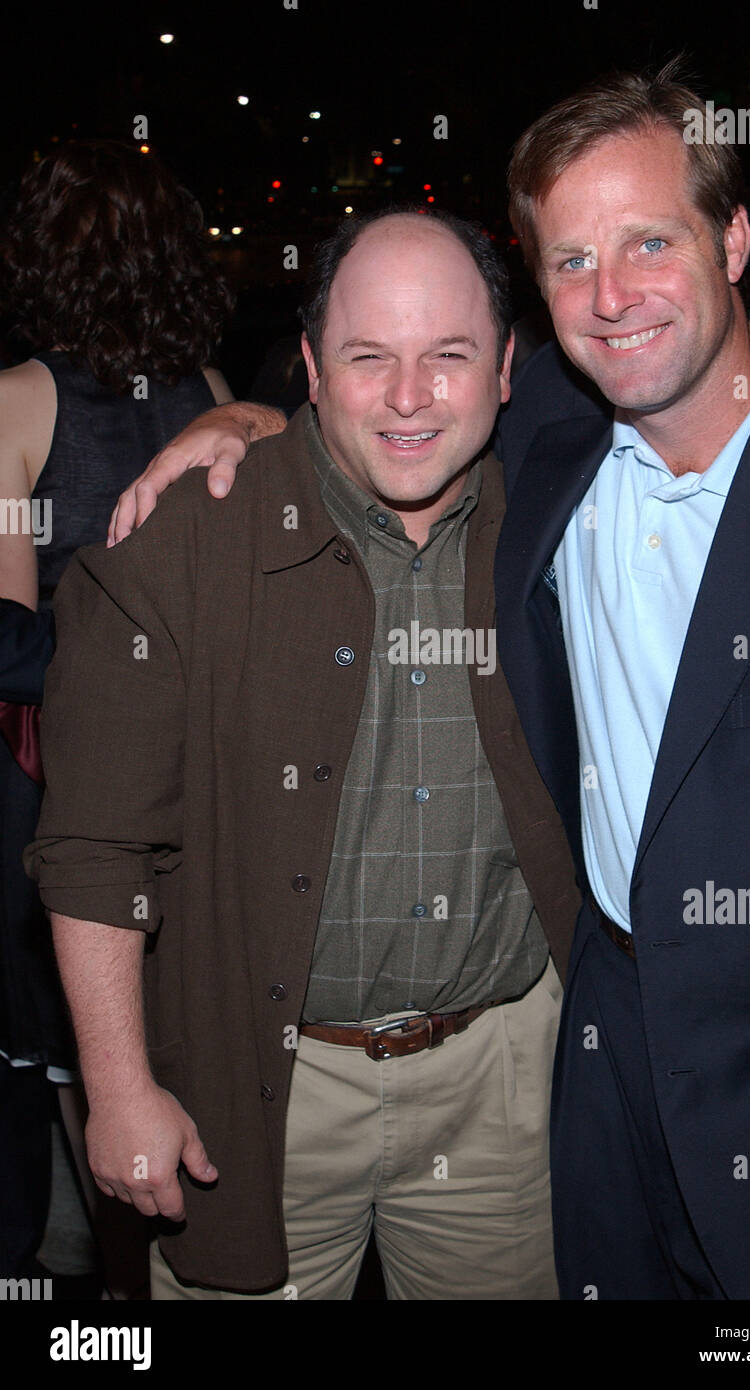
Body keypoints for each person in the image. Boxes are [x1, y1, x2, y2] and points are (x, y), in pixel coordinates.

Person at [118, 64, 750, 1303]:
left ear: (732, 237)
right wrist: (245, 428)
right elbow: (387, 407)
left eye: (648, 240)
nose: (612, 296)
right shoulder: (552, 439)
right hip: (590, 1072)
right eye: (570, 261)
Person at [25, 206, 581, 1300]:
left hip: (502, 1082)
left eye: (449, 356)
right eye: (369, 357)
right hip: (257, 1087)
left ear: (509, 367)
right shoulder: (186, 540)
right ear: (313, 369)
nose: (410, 397)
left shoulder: (565, 509)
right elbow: (93, 845)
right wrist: (119, 1084)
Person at [0, 138, 233, 1289]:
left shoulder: (16, 403)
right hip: (193, 792)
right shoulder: (218, 402)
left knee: (65, 1070)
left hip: (50, 790)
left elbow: (4, 636)